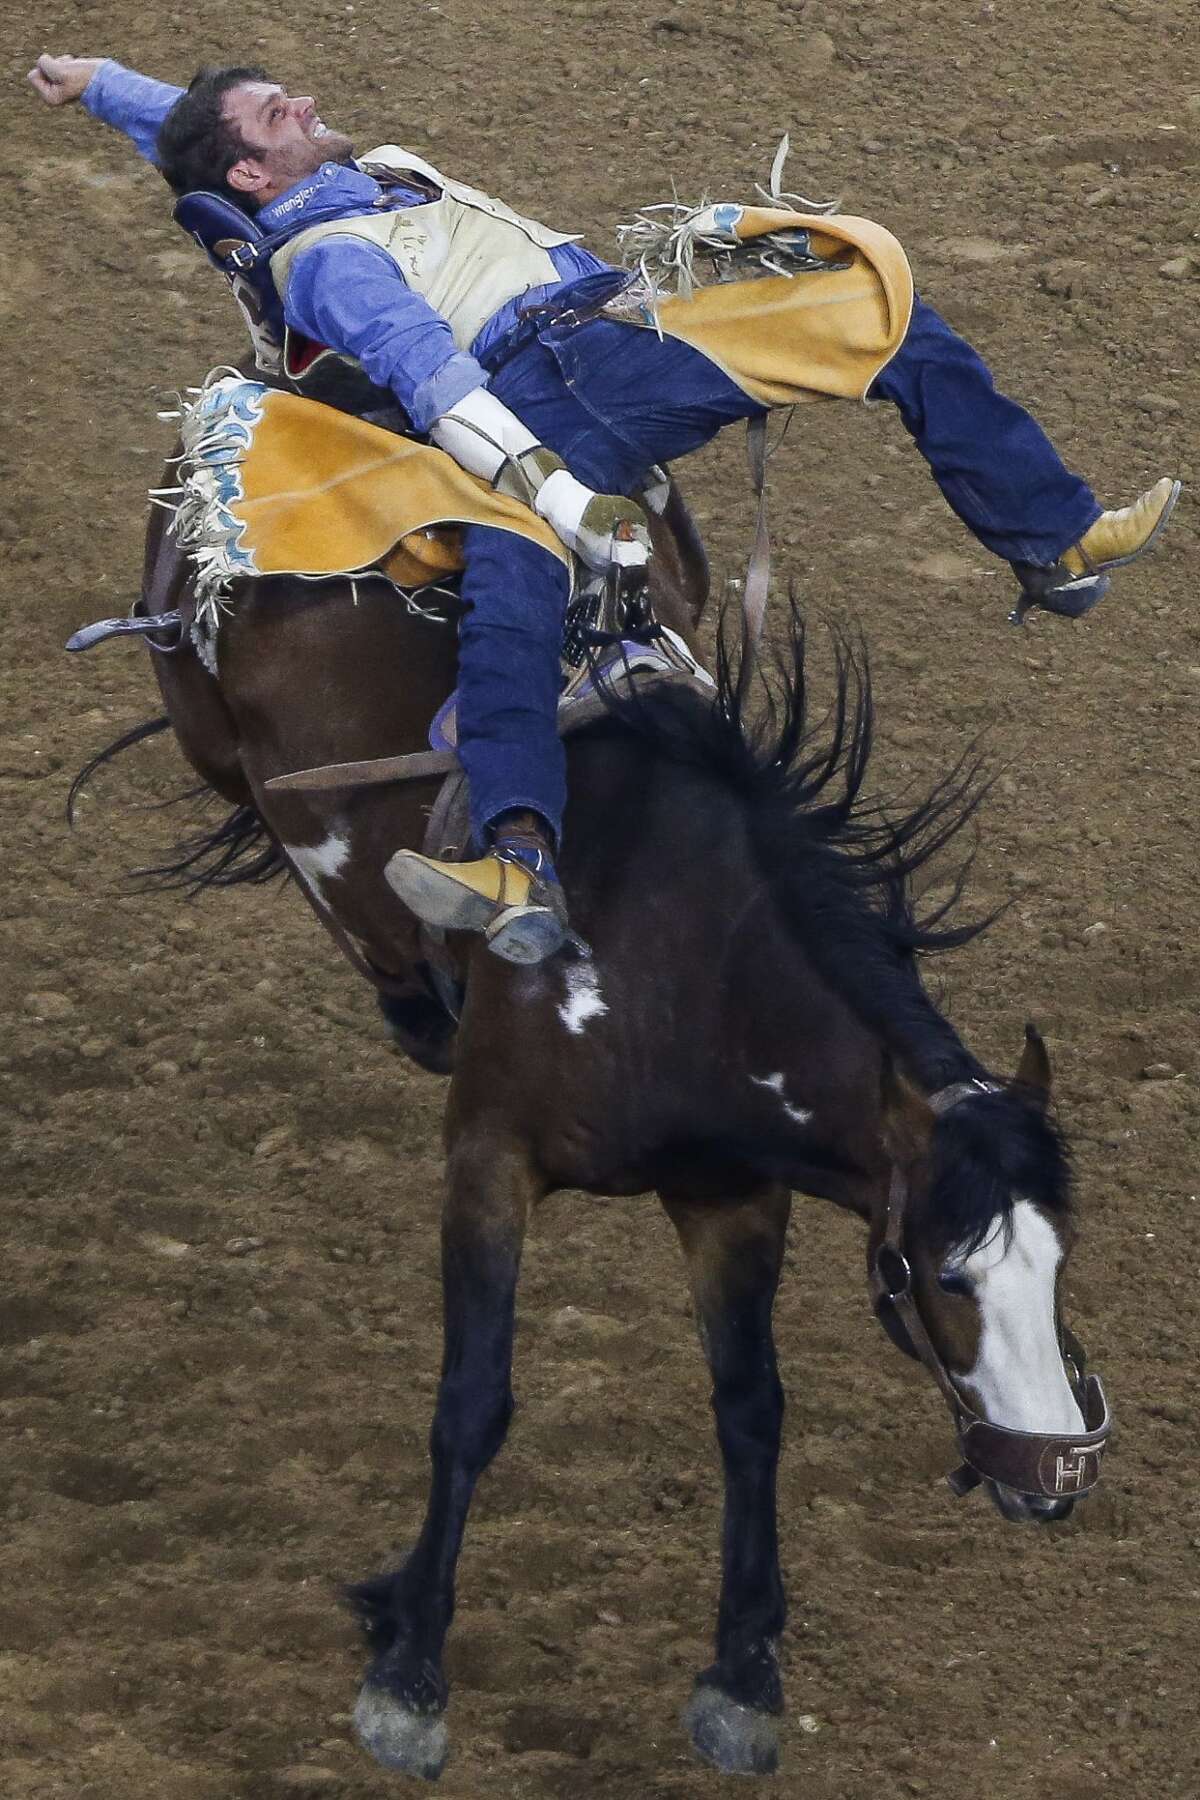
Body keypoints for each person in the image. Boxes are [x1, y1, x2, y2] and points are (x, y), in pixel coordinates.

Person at [29, 54, 1180, 966]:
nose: (308, 103)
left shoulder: (350, 176)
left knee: (880, 311)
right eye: (281, 113)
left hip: (627, 331)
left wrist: (96, 83)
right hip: (542, 390)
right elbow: (441, 381)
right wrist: (551, 491)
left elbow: (186, 126)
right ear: (251, 177)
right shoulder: (324, 258)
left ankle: (1052, 539)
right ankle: (517, 851)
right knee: (520, 566)